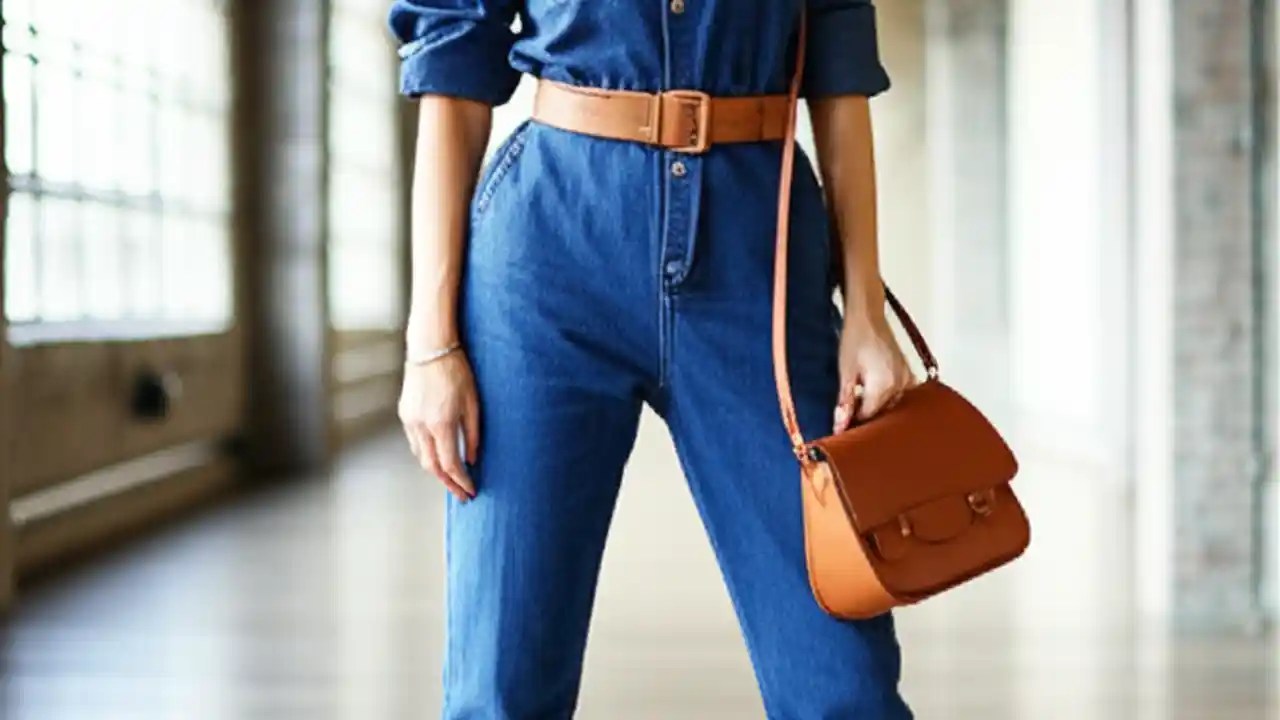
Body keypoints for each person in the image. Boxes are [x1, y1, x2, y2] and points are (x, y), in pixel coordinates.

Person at [389, 0, 915, 717]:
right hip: (548, 260)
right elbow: (452, 66)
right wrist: (430, 342)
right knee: (498, 687)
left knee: (844, 681)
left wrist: (865, 309)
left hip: (758, 266)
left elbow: (840, 77)